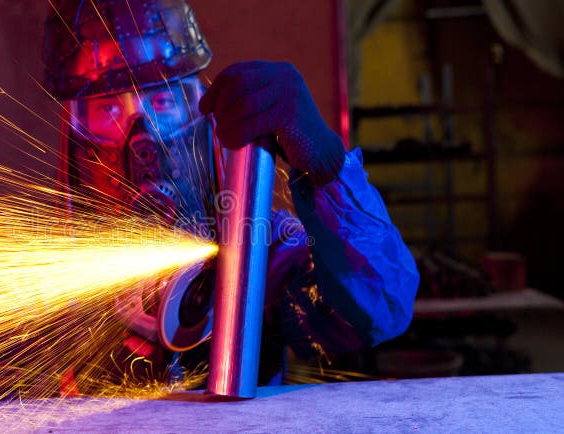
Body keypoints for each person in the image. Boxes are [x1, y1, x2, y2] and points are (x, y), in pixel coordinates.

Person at [43, 0, 419, 390]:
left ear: (198, 115)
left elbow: (381, 310)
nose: (142, 138)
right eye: (107, 110)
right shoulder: (38, 267)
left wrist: (327, 172)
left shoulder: (259, 247)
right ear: (75, 138)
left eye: (163, 103)